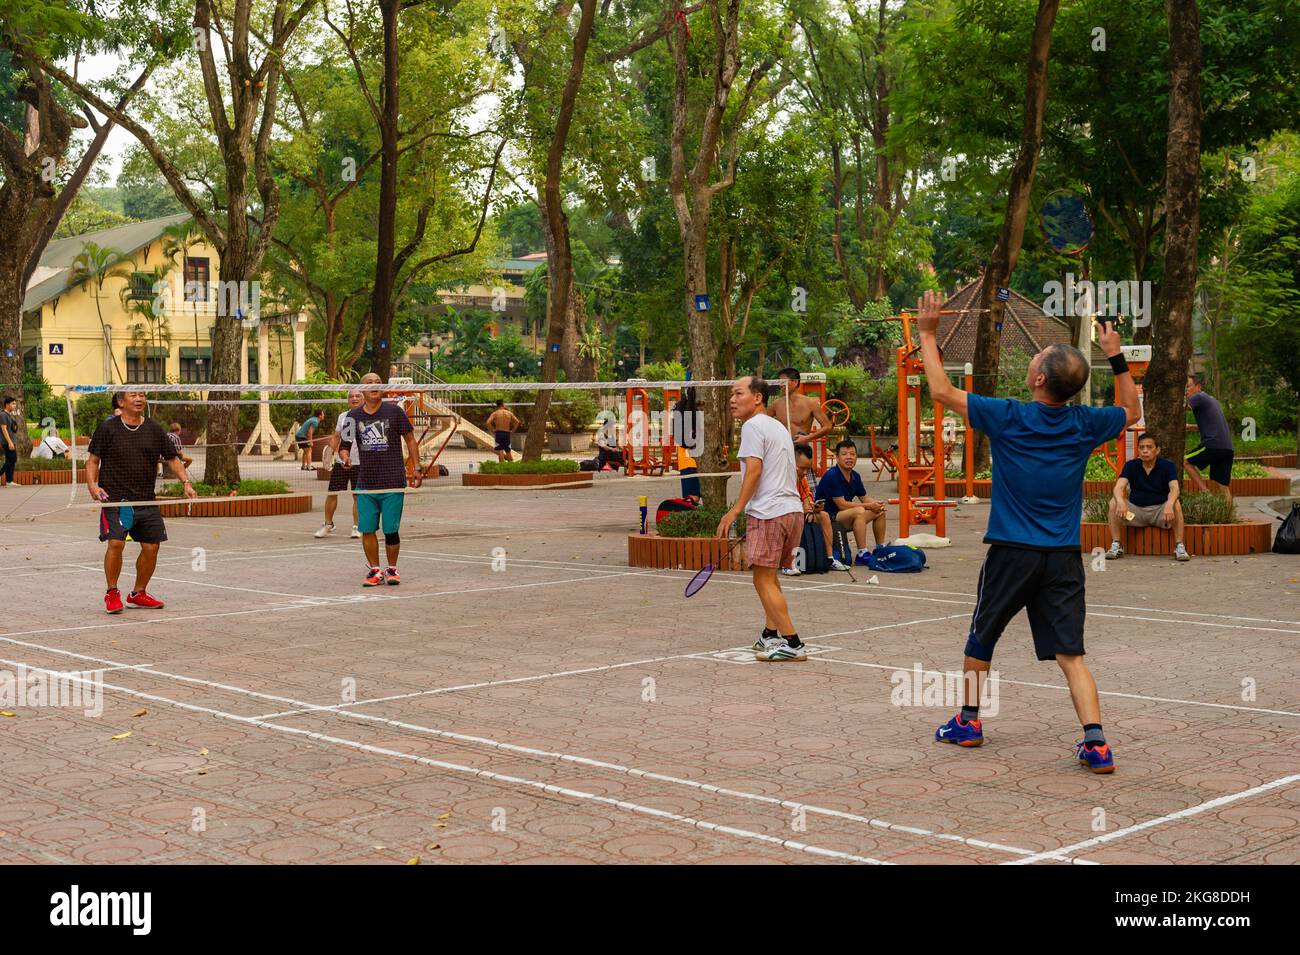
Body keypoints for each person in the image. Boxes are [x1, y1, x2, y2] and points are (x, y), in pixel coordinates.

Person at [915, 289, 1140, 774]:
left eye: (1035, 357)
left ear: (1038, 379)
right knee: (1071, 654)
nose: (1032, 358)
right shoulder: (1085, 423)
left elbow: (939, 391)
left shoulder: (1009, 416)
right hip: (1062, 556)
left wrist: (929, 334)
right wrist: (1117, 357)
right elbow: (1133, 413)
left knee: (981, 638)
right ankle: (1097, 743)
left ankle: (969, 723)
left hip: (1012, 552)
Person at [716, 376, 808, 663]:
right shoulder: (776, 425)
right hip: (792, 511)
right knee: (769, 577)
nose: (732, 399)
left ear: (757, 398)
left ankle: (793, 643)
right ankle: (770, 634)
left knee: (762, 580)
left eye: (738, 393)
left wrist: (736, 510)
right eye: (731, 394)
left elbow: (754, 471)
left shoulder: (753, 426)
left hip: (769, 512)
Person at [85, 390, 198, 614]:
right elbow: (92, 461)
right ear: (121, 401)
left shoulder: (154, 429)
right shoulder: (108, 428)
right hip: (116, 500)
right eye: (133, 395)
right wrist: (92, 485)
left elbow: (172, 459)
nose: (139, 399)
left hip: (146, 499)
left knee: (151, 547)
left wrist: (186, 482)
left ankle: (138, 593)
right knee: (116, 543)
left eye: (142, 395)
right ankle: (112, 592)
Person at [338, 373, 422, 586]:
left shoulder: (395, 412)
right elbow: (344, 446)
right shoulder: (351, 417)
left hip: (393, 480)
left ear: (383, 387)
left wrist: (417, 467)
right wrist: (345, 458)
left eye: (378, 382)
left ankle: (392, 569)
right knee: (367, 528)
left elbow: (411, 440)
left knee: (390, 530)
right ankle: (375, 570)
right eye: (369, 383)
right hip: (366, 483)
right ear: (362, 389)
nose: (374, 385)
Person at [1106, 433, 1189, 561]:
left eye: (1149, 447)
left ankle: (1179, 547)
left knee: (1176, 504)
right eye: (1141, 447)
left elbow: (1175, 488)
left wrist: (1169, 504)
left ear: (1157, 450)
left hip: (1161, 515)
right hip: (1134, 515)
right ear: (1138, 450)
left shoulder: (1168, 466)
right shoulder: (1131, 465)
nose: (1145, 451)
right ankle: (1116, 545)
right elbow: (1119, 487)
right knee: (1113, 502)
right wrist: (1120, 501)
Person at [815, 439, 888, 561]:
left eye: (852, 454)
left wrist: (876, 504)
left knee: (879, 511)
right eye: (844, 454)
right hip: (828, 517)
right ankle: (861, 553)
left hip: (843, 516)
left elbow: (864, 498)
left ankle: (880, 548)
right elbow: (842, 505)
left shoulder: (855, 475)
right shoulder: (832, 475)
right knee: (859, 511)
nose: (849, 457)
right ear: (837, 458)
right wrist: (869, 506)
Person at [785, 442, 849, 576]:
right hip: (785, 515)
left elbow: (807, 496)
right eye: (801, 468)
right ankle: (789, 563)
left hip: (802, 513)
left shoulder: (802, 478)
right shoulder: (782, 477)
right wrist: (800, 508)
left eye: (807, 469)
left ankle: (829, 558)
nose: (804, 472)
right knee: (794, 518)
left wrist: (812, 507)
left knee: (824, 516)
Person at [316, 389, 364, 539]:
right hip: (342, 462)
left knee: (358, 497)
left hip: (360, 463)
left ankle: (357, 527)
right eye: (351, 396)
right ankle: (328, 524)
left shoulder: (369, 416)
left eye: (357, 396)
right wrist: (329, 454)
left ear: (364, 398)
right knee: (332, 494)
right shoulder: (343, 417)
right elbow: (337, 437)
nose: (354, 398)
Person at [1184, 374, 1235, 511]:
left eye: (1188, 386)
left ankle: (1205, 492)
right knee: (1223, 486)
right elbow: (1212, 423)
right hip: (1227, 448)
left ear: (1198, 387)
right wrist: (1190, 427)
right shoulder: (1212, 399)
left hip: (1212, 445)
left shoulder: (1197, 396)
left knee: (1186, 461)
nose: (1185, 391)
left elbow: (1181, 407)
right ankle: (1228, 516)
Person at [767, 368, 833, 444]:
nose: (781, 385)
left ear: (795, 382)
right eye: (779, 382)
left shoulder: (811, 403)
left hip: (801, 449)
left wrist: (807, 438)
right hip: (783, 448)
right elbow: (761, 421)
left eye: (783, 382)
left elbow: (828, 427)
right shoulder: (776, 404)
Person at [672, 389, 701, 501]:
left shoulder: (681, 407)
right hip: (688, 460)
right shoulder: (686, 409)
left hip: (689, 460)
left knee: (692, 495)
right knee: (692, 495)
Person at [0, 395, 18, 487]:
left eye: (15, 404)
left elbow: (12, 428)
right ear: (7, 405)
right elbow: (4, 429)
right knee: (12, 459)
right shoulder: (3, 414)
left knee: (10, 460)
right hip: (7, 442)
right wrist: (10, 442)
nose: (15, 405)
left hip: (11, 441)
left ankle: (9, 481)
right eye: (13, 404)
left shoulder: (9, 415)